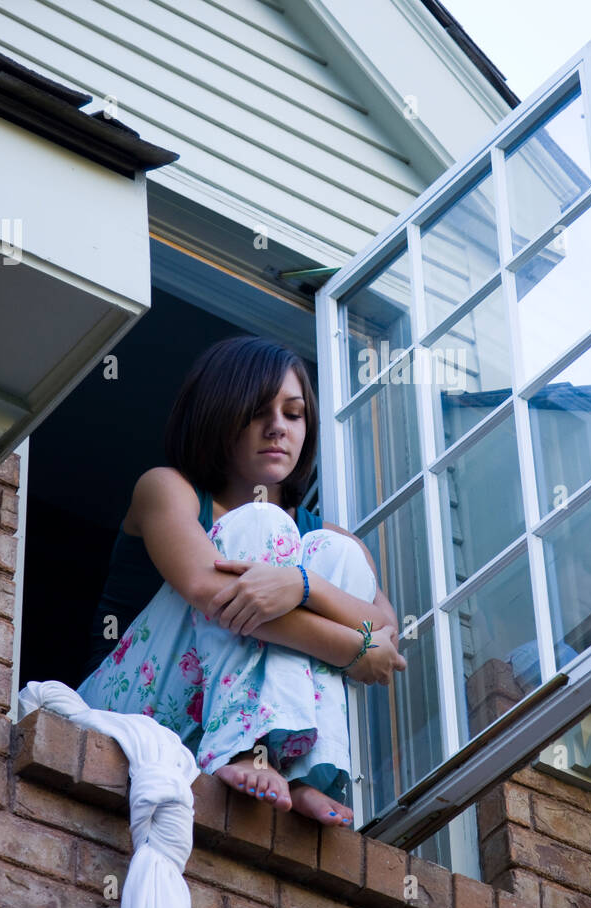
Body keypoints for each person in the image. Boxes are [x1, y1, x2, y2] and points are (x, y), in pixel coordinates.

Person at [77, 335, 406, 827]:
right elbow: (215, 596)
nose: (278, 428)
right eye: (258, 411)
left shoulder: (323, 537)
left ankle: (306, 772)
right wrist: (353, 650)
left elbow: (386, 630)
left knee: (336, 556)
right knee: (261, 523)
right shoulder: (167, 489)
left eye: (293, 414)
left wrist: (304, 586)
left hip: (217, 726)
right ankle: (243, 747)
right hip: (127, 713)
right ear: (218, 413)